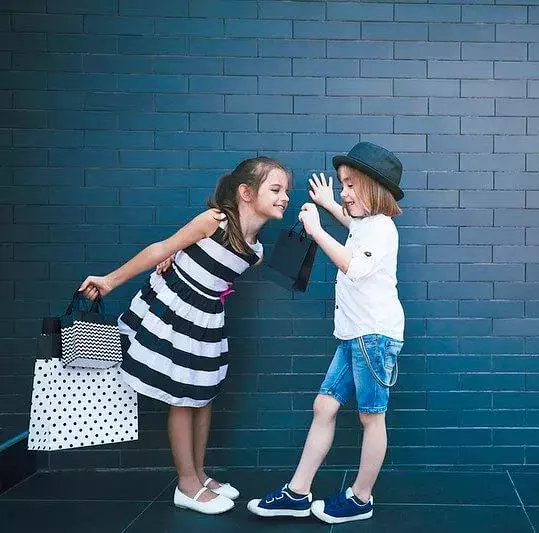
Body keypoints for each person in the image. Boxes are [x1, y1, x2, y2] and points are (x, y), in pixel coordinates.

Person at [79, 157, 290, 515]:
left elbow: (207, 267)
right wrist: (110, 280)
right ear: (246, 193)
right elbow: (162, 248)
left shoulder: (254, 253)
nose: (284, 197)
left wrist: (184, 259)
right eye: (276, 189)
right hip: (174, 312)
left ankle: (200, 474)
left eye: (286, 191)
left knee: (202, 396)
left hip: (206, 321)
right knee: (180, 397)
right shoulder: (214, 221)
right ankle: (186, 485)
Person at [247, 142, 405, 524]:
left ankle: (361, 498)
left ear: (373, 188)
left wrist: (317, 230)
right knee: (324, 406)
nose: (345, 193)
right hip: (354, 335)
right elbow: (353, 226)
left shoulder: (383, 228)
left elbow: (355, 265)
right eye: (342, 185)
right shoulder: (368, 224)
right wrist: (329, 204)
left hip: (375, 337)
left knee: (372, 418)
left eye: (351, 186)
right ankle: (298, 493)